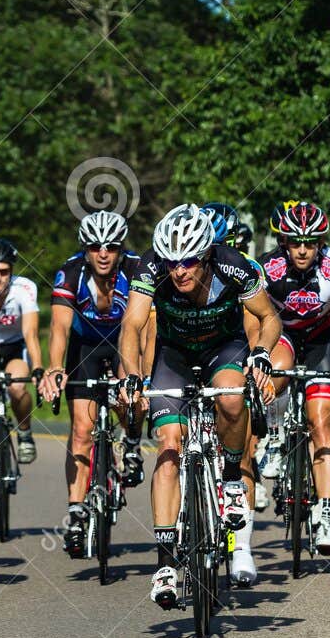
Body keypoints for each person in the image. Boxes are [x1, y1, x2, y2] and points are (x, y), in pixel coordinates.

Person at [119, 204, 280, 603]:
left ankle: (229, 478)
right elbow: (133, 325)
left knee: (230, 397)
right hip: (173, 355)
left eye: (189, 262)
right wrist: (132, 375)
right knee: (170, 445)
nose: (179, 271)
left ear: (207, 255)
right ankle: (165, 565)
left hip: (223, 349)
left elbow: (269, 317)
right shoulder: (150, 268)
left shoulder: (233, 265)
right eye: (173, 263)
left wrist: (261, 352)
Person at [37, 210, 144, 557]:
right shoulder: (70, 274)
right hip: (85, 348)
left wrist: (137, 372)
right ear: (85, 249)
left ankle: (130, 442)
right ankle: (76, 508)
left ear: (120, 249)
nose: (103, 253)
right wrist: (54, 367)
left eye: (111, 247)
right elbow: (59, 328)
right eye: (95, 246)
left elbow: (145, 327)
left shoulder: (135, 270)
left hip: (124, 343)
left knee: (130, 401)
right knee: (82, 430)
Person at [259, 201, 330, 554]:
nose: (303, 249)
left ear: (321, 242)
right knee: (272, 377)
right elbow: (254, 316)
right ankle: (273, 435)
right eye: (294, 241)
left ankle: (325, 512)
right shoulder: (267, 268)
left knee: (321, 421)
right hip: (284, 332)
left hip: (324, 335)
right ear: (283, 241)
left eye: (311, 241)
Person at [0, 238, 42, 468]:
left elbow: (31, 333)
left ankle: (24, 432)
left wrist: (37, 367)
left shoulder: (24, 288)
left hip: (14, 346)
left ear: (12, 271)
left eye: (4, 272)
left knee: (16, 387)